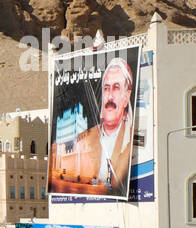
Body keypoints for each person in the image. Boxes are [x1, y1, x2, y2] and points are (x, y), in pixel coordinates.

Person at [48, 57, 135, 196]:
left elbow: (114, 185)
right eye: (106, 88)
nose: (110, 97)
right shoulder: (89, 135)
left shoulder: (130, 140)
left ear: (126, 96)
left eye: (116, 88)